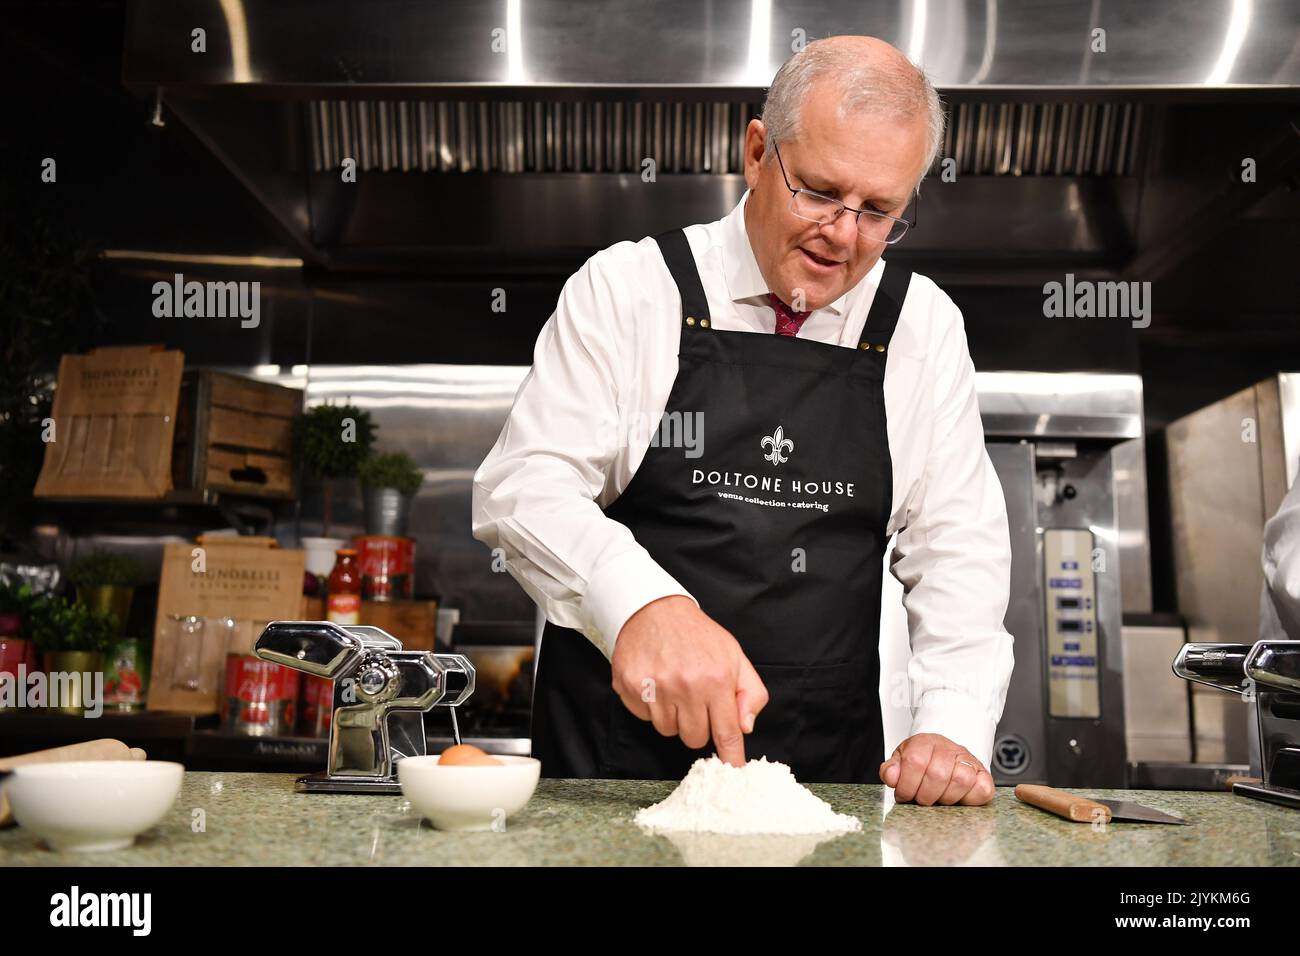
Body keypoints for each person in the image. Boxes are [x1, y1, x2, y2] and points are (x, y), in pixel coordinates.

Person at [473, 36, 1014, 805]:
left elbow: (959, 551)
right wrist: (641, 603)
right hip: (610, 782)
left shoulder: (922, 326)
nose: (844, 234)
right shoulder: (630, 289)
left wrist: (952, 726)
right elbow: (523, 487)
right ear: (758, 152)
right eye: (820, 193)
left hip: (826, 791)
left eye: (879, 212)